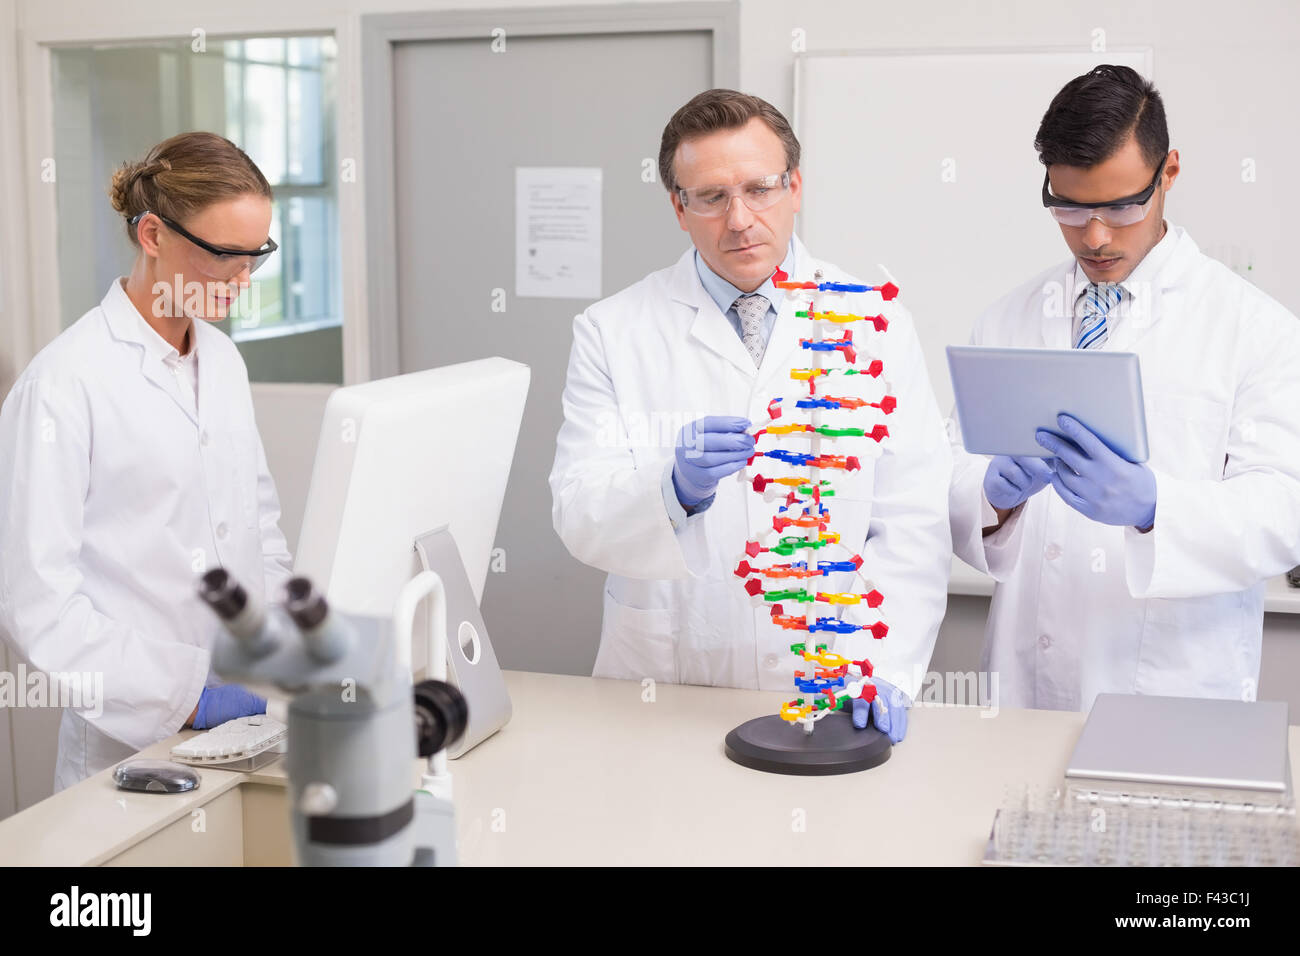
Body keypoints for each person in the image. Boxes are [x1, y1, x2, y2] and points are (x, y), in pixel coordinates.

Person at [550, 90, 952, 741]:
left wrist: (884, 665)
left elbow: (913, 514)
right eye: (710, 197)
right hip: (664, 681)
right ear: (679, 208)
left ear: (795, 187)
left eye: (760, 189)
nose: (739, 220)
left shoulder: (874, 320)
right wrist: (671, 491)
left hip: (830, 681)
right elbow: (577, 508)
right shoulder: (613, 330)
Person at [949, 65, 1300, 710]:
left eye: (1120, 206)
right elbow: (944, 480)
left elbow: (1284, 512)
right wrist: (989, 495)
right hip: (1018, 690)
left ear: (1167, 173)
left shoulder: (1258, 330)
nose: (1096, 235)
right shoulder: (1008, 318)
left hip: (1172, 694)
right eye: (1069, 207)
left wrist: (1155, 507)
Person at [0, 131, 293, 790]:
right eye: (224, 255)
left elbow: (259, 530)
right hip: (128, 750)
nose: (242, 280)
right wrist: (185, 695)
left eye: (257, 256)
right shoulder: (65, 384)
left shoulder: (222, 360)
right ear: (153, 235)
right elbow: (36, 606)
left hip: (245, 725)